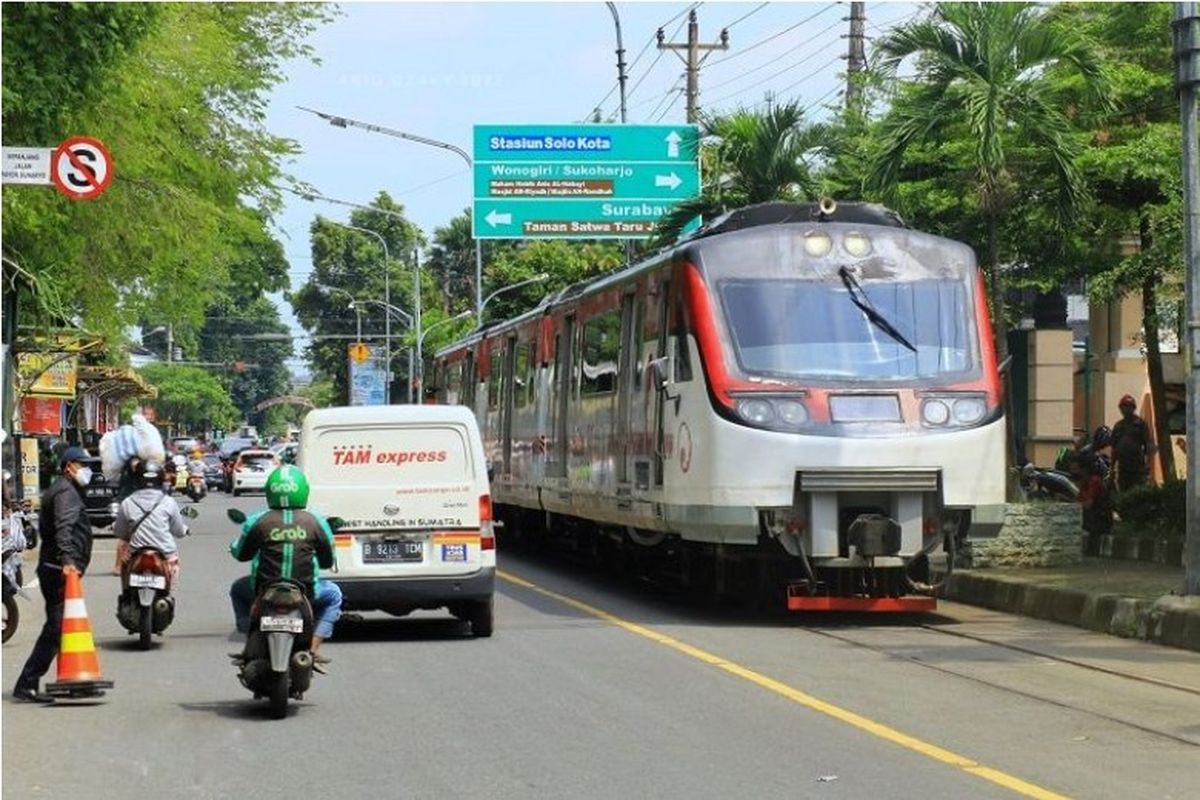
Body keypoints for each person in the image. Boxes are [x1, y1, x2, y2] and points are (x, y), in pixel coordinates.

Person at [228, 465, 341, 670]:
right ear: (303, 490)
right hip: (307, 592)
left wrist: (233, 548)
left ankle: (249, 643)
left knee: (238, 589)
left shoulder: (257, 521)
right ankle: (313, 650)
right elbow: (326, 561)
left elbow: (242, 555)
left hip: (264, 591)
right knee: (334, 595)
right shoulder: (317, 522)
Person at [12, 447, 96, 703]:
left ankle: (69, 677)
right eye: (82, 465)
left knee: (61, 626)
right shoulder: (65, 493)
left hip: (56, 568)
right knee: (57, 627)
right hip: (58, 570)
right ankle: (27, 683)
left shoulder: (64, 489)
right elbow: (63, 527)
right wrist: (69, 561)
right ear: (69, 465)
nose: (86, 470)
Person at [112, 460, 189, 581]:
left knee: (124, 564)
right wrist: (184, 530)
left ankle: (126, 595)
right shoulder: (168, 502)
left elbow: (119, 532)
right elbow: (179, 531)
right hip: (165, 552)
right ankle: (168, 595)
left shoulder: (127, 502)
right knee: (173, 567)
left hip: (136, 552)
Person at [1110, 394, 1155, 493]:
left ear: (1133, 408)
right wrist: (1112, 467)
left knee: (1137, 492)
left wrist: (1148, 464)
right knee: (1123, 491)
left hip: (1137, 467)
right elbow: (1114, 448)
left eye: (1128, 406)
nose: (1125, 409)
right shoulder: (1118, 426)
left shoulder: (1140, 424)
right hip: (1123, 467)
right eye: (1123, 406)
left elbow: (1148, 445)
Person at [1070, 454, 1112, 556]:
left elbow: (1088, 503)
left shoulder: (1094, 481)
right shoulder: (1084, 482)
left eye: (1076, 469)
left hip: (1099, 518)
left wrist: (1075, 505)